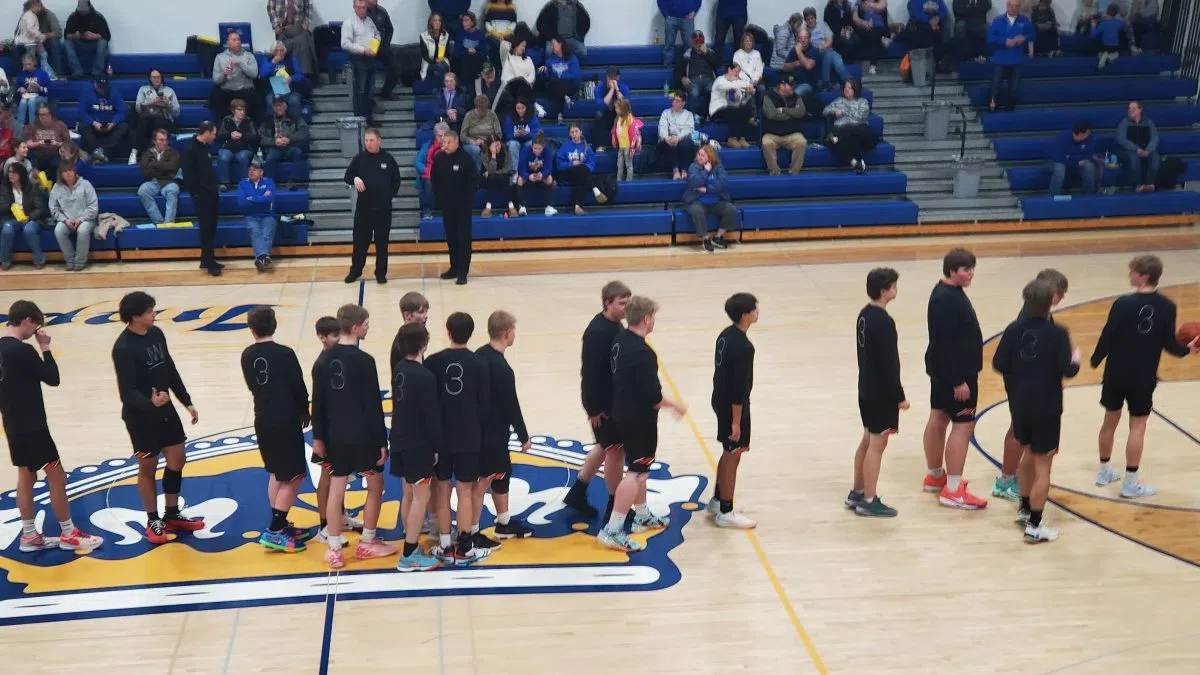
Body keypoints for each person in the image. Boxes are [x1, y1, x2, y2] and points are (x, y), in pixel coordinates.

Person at [0, 300, 104, 553]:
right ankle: (69, 533)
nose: (35, 332)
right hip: (33, 425)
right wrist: (45, 348)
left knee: (26, 476)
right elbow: (52, 378)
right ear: (27, 321)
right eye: (36, 327)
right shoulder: (22, 351)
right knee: (57, 476)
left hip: (12, 423)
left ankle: (29, 536)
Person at [1091, 255, 1199, 498]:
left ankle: (1104, 471)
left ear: (1144, 276)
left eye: (1133, 272)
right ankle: (1130, 483)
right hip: (1142, 376)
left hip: (1115, 372)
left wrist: (1095, 359)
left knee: (1109, 421)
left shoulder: (1122, 304)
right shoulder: (1168, 306)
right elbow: (1170, 344)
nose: (1129, 275)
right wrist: (1187, 350)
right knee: (1137, 427)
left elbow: (1108, 336)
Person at [110, 291, 205, 545]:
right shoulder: (123, 348)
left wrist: (186, 401)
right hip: (140, 417)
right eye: (150, 311)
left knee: (178, 459)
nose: (155, 314)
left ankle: (172, 514)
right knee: (147, 469)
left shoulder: (156, 334)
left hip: (165, 410)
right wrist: (149, 403)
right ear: (135, 316)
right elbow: (126, 392)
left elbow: (169, 369)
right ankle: (153, 519)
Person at [993, 280, 1081, 543]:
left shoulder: (1013, 329)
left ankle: (1023, 508)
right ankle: (1035, 525)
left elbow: (999, 364)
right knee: (1043, 465)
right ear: (1050, 303)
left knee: (1029, 455)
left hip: (1020, 404)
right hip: (1047, 406)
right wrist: (1075, 360)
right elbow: (1067, 370)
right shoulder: (1058, 333)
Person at [310, 304, 398, 569]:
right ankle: (368, 542)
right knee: (375, 485)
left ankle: (334, 548)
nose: (369, 328)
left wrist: (318, 438)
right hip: (363, 436)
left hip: (335, 436)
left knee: (337, 488)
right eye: (367, 324)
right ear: (356, 328)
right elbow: (372, 405)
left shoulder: (323, 360)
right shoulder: (365, 361)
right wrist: (382, 441)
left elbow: (318, 403)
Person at [600, 296, 687, 552]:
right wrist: (676, 406)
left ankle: (641, 515)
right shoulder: (643, 352)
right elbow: (654, 397)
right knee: (637, 473)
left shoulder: (620, 340)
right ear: (647, 318)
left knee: (641, 469)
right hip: (639, 420)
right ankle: (613, 529)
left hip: (620, 413)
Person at [241, 306, 315, 553]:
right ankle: (274, 530)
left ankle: (281, 525)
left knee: (276, 472)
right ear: (274, 325)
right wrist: (304, 409)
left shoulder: (246, 355)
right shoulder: (285, 353)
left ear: (251, 329)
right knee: (295, 475)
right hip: (285, 419)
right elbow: (298, 385)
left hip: (262, 418)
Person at [992, 268, 1069, 502]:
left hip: (1026, 387)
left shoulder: (1037, 317)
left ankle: (1014, 478)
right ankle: (1006, 480)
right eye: (1060, 293)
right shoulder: (1027, 323)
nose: (1062, 298)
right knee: (1016, 433)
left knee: (1019, 433)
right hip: (1025, 387)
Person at [922, 248, 987, 509]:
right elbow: (945, 344)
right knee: (963, 426)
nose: (970, 274)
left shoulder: (943, 292)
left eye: (972, 268)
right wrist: (958, 380)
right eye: (965, 269)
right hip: (957, 374)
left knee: (938, 417)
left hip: (942, 371)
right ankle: (953, 490)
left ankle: (935, 476)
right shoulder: (948, 301)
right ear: (951, 271)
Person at [425, 312, 490, 565]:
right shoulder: (480, 363)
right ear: (471, 333)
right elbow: (484, 406)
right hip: (468, 436)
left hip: (440, 437)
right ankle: (465, 547)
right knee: (465, 490)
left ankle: (444, 545)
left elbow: (429, 403)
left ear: (448, 331)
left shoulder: (433, 362)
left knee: (442, 489)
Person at [563, 281, 632, 520]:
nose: (626, 307)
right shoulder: (597, 332)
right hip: (603, 406)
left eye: (628, 303)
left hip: (612, 402)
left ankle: (577, 492)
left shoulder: (614, 325)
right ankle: (614, 506)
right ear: (607, 303)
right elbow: (589, 373)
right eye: (621, 303)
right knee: (616, 452)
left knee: (604, 447)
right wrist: (592, 408)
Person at [847, 268, 907, 518]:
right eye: (893, 286)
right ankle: (869, 500)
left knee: (867, 440)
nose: (896, 289)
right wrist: (899, 396)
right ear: (884, 291)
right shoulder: (884, 322)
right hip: (881, 393)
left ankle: (857, 491)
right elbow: (889, 363)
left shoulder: (864, 314)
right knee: (877, 445)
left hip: (866, 388)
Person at [474, 310, 535, 549]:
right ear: (507, 333)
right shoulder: (502, 369)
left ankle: (504, 522)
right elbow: (511, 405)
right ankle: (472, 532)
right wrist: (523, 436)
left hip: (477, 428)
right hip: (492, 432)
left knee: (502, 473)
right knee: (485, 479)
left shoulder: (478, 355)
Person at [389, 322, 443, 572]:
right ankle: (409, 554)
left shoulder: (399, 368)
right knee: (421, 497)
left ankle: (410, 541)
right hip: (417, 444)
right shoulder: (425, 377)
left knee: (409, 495)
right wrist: (436, 446)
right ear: (424, 345)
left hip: (399, 439)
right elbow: (431, 417)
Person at [310, 316, 365, 546]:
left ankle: (339, 517)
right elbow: (317, 404)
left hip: (342, 430)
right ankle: (324, 526)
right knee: (327, 477)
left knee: (338, 477)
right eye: (334, 336)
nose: (338, 339)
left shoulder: (338, 359)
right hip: (328, 432)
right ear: (322, 338)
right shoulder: (321, 364)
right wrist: (318, 438)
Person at [707, 292, 759, 529]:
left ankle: (718, 500)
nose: (757, 312)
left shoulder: (725, 335)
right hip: (733, 406)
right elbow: (739, 387)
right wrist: (736, 421)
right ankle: (726, 512)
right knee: (733, 454)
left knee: (728, 451)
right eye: (754, 309)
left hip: (719, 399)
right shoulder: (744, 347)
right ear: (745, 315)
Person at [344, 127, 402, 284]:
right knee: (360, 242)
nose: (368, 143)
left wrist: (389, 195)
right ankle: (355, 271)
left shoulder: (388, 159)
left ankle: (381, 273)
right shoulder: (359, 159)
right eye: (366, 140)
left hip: (383, 209)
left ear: (379, 141)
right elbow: (347, 176)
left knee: (382, 243)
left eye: (371, 140)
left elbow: (396, 180)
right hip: (364, 209)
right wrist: (355, 178)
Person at [430, 130, 479, 284]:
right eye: (443, 142)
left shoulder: (466, 159)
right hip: (447, 206)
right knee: (451, 238)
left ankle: (463, 272)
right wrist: (440, 198)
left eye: (448, 142)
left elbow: (473, 181)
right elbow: (434, 180)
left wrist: (465, 199)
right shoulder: (439, 159)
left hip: (463, 207)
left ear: (456, 142)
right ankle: (454, 267)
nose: (445, 145)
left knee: (463, 239)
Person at [179, 121, 223, 276]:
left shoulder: (206, 148)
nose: (215, 137)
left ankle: (205, 259)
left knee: (212, 226)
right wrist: (196, 194)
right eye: (214, 133)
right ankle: (209, 263)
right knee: (205, 228)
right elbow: (188, 176)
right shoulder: (190, 149)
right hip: (201, 195)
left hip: (211, 193)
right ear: (207, 132)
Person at [683, 144, 737, 252]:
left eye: (703, 155)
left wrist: (707, 189)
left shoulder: (719, 167)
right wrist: (706, 171)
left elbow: (722, 184)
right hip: (696, 200)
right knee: (697, 211)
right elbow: (695, 182)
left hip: (716, 201)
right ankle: (705, 239)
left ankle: (718, 237)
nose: (699, 157)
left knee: (731, 210)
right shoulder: (693, 167)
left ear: (710, 156)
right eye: (699, 154)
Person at [987, 0, 1035, 113]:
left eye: (1016, 6)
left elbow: (1033, 35)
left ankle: (1010, 111)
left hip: (1016, 59)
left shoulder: (1024, 21)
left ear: (1019, 7)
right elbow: (990, 38)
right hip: (1001, 58)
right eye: (1011, 6)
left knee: (1014, 88)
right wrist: (1004, 41)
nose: (1013, 8)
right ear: (1007, 6)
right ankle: (993, 110)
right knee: (996, 86)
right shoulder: (998, 20)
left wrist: (1024, 38)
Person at [49, 161, 98, 271]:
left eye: (70, 170)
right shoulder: (56, 187)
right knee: (58, 231)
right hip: (66, 221)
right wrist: (64, 220)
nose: (68, 173)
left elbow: (93, 207)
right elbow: (53, 208)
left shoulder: (86, 184)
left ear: (75, 172)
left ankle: (80, 262)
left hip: (86, 219)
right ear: (61, 174)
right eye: (65, 171)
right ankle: (70, 260)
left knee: (83, 230)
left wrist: (81, 219)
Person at [824, 80, 878, 174]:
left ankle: (836, 138)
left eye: (849, 88)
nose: (846, 89)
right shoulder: (839, 100)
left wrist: (844, 111)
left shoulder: (862, 102)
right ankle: (856, 163)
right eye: (845, 87)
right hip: (843, 132)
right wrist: (834, 111)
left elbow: (861, 117)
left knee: (850, 131)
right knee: (847, 139)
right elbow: (825, 111)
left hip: (859, 129)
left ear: (855, 89)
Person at [342, 0, 382, 126]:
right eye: (359, 7)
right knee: (360, 90)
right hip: (359, 59)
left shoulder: (369, 21)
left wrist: (374, 46)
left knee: (369, 90)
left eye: (364, 7)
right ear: (354, 7)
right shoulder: (349, 22)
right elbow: (345, 44)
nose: (362, 10)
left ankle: (369, 118)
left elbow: (377, 34)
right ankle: (359, 120)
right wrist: (363, 50)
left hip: (371, 58)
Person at [0, 163, 46, 271]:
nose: (11, 175)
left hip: (30, 218)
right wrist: (11, 206)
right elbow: (2, 207)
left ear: (21, 174)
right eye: (10, 172)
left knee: (29, 229)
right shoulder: (4, 188)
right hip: (12, 218)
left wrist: (29, 217)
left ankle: (39, 259)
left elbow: (40, 208)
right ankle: (5, 260)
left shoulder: (32, 187)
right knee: (7, 229)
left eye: (14, 172)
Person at [76, 74, 129, 165]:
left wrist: (113, 122)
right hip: (94, 125)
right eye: (100, 87)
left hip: (110, 125)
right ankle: (97, 150)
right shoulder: (87, 93)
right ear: (95, 84)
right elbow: (81, 113)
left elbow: (121, 112)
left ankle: (103, 151)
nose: (102, 90)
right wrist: (93, 122)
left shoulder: (115, 93)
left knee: (124, 126)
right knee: (83, 126)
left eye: (104, 87)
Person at [761, 75, 808, 176]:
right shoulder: (768, 97)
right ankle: (775, 171)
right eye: (791, 85)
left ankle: (794, 172)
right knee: (766, 142)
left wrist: (783, 110)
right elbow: (771, 115)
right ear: (782, 86)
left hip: (792, 134)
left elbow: (801, 112)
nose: (793, 88)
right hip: (772, 134)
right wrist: (791, 114)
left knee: (801, 142)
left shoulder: (796, 97)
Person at [259, 96, 310, 190]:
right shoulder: (267, 121)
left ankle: (294, 181)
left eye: (281, 105)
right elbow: (260, 138)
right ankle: (270, 184)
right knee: (270, 157)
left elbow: (304, 133)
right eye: (276, 106)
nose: (278, 108)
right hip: (274, 147)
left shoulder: (295, 118)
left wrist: (289, 139)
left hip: (290, 146)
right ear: (273, 107)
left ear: (285, 106)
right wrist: (274, 141)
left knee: (298, 153)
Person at [556, 123, 606, 216]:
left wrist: (585, 169)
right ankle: (595, 189)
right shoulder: (565, 147)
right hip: (569, 172)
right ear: (569, 134)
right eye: (572, 132)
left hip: (582, 174)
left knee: (582, 174)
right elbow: (559, 164)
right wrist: (571, 163)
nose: (574, 134)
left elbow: (591, 164)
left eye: (576, 131)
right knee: (582, 170)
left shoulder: (587, 147)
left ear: (581, 132)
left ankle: (577, 206)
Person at [211, 31, 260, 122]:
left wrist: (241, 64)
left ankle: (251, 125)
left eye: (238, 39)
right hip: (227, 89)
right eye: (234, 40)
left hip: (244, 90)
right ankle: (224, 125)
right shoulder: (220, 57)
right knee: (216, 96)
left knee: (255, 97)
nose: (237, 42)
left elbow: (254, 74)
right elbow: (216, 80)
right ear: (228, 43)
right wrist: (224, 74)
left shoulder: (248, 56)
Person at [239, 160, 279, 272]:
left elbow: (270, 199)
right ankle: (264, 257)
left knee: (267, 233)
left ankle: (260, 258)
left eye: (255, 169)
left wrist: (251, 198)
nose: (251, 172)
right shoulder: (243, 184)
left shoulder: (269, 182)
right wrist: (261, 198)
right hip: (250, 215)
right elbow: (242, 202)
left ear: (261, 172)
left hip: (268, 215)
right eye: (250, 170)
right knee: (255, 231)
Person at [137, 129, 182, 226]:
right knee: (142, 191)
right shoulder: (147, 154)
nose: (164, 142)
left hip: (169, 181)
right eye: (161, 140)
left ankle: (168, 224)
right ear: (154, 141)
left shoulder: (173, 153)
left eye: (166, 140)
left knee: (173, 191)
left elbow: (172, 168)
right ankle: (159, 223)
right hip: (153, 181)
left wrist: (154, 164)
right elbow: (145, 171)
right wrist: (164, 168)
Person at [803, 7, 853, 91]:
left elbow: (830, 40)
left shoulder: (823, 25)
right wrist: (818, 49)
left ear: (815, 18)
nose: (810, 21)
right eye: (808, 19)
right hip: (815, 54)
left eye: (812, 18)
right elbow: (805, 46)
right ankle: (851, 81)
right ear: (805, 20)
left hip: (826, 49)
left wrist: (822, 47)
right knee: (832, 55)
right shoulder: (804, 30)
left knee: (834, 57)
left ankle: (826, 82)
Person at [267, 0, 319, 79]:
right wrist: (276, 25)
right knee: (279, 49)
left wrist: (306, 22)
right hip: (282, 29)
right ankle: (286, 76)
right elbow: (270, 8)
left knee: (304, 43)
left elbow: (309, 6)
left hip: (298, 28)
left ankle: (304, 76)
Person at [1049, 121, 1102, 196]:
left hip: (1075, 163)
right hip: (1058, 162)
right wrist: (1076, 162)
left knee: (1089, 166)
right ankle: (1053, 196)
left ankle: (1088, 195)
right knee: (1059, 168)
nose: (1089, 134)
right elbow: (1058, 157)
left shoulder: (1089, 138)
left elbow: (1089, 154)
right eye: (1087, 133)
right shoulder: (1062, 138)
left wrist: (1070, 158)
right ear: (1080, 133)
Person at [709, 62, 755, 149]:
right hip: (717, 109)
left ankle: (742, 138)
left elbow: (741, 100)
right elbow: (729, 86)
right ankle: (732, 138)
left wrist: (749, 93)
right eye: (736, 71)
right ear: (729, 69)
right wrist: (747, 84)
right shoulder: (720, 80)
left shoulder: (737, 82)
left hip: (730, 107)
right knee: (734, 110)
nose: (737, 74)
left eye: (739, 72)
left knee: (744, 109)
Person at [1117, 100, 1160, 193]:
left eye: (1133, 108)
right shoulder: (1124, 123)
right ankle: (1137, 185)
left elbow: (1154, 138)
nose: (1130, 110)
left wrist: (1148, 150)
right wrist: (1137, 149)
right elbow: (1121, 139)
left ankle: (1149, 184)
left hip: (1146, 149)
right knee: (1133, 158)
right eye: (1129, 109)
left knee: (1155, 157)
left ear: (1140, 110)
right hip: (1129, 150)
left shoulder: (1149, 123)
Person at [133, 69, 180, 153]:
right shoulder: (143, 89)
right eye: (154, 77)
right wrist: (151, 102)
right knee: (142, 123)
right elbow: (138, 109)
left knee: (158, 121)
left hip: (165, 121)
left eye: (158, 77)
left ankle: (154, 153)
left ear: (162, 78)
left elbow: (177, 113)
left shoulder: (169, 91)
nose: (156, 79)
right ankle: (134, 152)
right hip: (148, 119)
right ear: (150, 78)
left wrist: (168, 103)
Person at [216, 99, 259, 191]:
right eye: (239, 110)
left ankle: (245, 183)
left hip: (245, 148)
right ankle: (224, 183)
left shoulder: (249, 121)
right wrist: (229, 135)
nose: (242, 112)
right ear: (233, 111)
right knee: (223, 157)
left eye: (244, 110)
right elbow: (218, 136)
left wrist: (242, 136)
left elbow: (255, 137)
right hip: (228, 147)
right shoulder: (226, 120)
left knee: (242, 157)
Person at [676, 31, 721, 116]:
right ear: (692, 43)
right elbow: (677, 71)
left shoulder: (710, 52)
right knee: (694, 93)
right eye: (696, 42)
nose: (698, 44)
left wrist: (707, 53)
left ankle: (708, 116)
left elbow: (718, 64)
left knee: (713, 90)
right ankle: (692, 117)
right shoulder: (687, 54)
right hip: (693, 80)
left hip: (709, 79)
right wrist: (682, 78)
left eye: (701, 42)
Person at [63, 0, 110, 81]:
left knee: (103, 42)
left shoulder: (98, 17)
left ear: (90, 8)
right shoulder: (73, 17)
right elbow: (66, 35)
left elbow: (107, 35)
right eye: (81, 11)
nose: (83, 13)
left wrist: (96, 36)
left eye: (85, 11)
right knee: (67, 43)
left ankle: (97, 72)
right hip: (79, 44)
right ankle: (77, 72)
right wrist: (74, 36)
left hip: (94, 44)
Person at [259, 42, 307, 119]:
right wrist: (273, 62)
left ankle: (296, 123)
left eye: (281, 50)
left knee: (294, 101)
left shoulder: (291, 59)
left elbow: (300, 75)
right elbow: (262, 74)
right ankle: (270, 124)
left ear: (284, 52)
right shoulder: (268, 60)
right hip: (273, 91)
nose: (279, 53)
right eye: (276, 51)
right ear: (273, 52)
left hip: (290, 90)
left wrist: (291, 79)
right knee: (269, 101)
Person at [658, 91, 697, 180]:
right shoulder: (666, 113)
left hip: (682, 138)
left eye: (677, 101)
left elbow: (689, 129)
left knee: (686, 142)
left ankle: (684, 170)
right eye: (674, 100)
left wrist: (678, 138)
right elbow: (662, 127)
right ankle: (675, 170)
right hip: (668, 138)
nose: (674, 103)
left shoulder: (688, 114)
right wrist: (666, 138)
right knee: (670, 143)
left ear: (683, 103)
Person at [516, 131, 556, 216]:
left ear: (543, 147)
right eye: (535, 148)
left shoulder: (547, 151)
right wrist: (528, 176)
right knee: (520, 179)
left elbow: (548, 168)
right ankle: (522, 206)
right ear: (531, 146)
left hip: (540, 175)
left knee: (549, 178)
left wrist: (542, 174)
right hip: (529, 175)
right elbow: (521, 170)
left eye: (540, 149)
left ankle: (549, 206)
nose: (537, 151)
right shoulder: (525, 151)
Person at [539, 37, 581, 118]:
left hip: (569, 86)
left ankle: (560, 113)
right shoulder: (550, 60)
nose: (552, 47)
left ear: (560, 44)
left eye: (553, 44)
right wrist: (544, 71)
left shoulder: (572, 58)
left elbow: (576, 75)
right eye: (551, 45)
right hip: (555, 86)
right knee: (554, 83)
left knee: (558, 83)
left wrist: (562, 77)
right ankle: (564, 97)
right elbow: (547, 78)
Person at [23, 103, 69, 175]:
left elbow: (68, 144)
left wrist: (57, 143)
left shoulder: (60, 125)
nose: (43, 117)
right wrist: (39, 143)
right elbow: (27, 144)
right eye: (41, 115)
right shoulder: (32, 126)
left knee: (61, 166)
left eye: (45, 114)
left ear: (51, 114)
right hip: (38, 155)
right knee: (33, 168)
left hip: (56, 154)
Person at [495, 35, 536, 116]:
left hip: (524, 87)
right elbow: (504, 46)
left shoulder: (528, 59)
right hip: (509, 87)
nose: (523, 48)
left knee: (520, 82)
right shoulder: (506, 57)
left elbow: (532, 75)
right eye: (522, 45)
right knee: (517, 82)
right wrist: (505, 38)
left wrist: (524, 81)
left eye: (525, 46)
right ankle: (534, 104)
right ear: (516, 44)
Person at [14, 1, 57, 79]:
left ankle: (46, 73)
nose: (40, 9)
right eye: (39, 7)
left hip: (28, 42)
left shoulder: (24, 16)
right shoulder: (31, 16)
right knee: (30, 61)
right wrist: (41, 36)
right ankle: (29, 77)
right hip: (30, 43)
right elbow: (30, 29)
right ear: (33, 6)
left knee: (43, 54)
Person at [480, 135, 519, 218]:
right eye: (494, 146)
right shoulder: (484, 152)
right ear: (489, 146)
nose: (497, 148)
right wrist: (493, 155)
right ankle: (488, 207)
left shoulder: (506, 149)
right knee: (492, 177)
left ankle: (511, 207)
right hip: (488, 178)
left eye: (498, 144)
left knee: (502, 177)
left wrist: (496, 172)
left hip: (503, 176)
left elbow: (507, 168)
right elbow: (490, 170)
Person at [591, 67, 631, 148]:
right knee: (598, 114)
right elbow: (601, 106)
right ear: (606, 77)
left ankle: (623, 144)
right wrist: (612, 90)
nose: (611, 80)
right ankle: (598, 145)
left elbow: (625, 105)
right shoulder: (599, 88)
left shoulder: (624, 88)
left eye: (614, 78)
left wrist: (617, 89)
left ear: (618, 77)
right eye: (609, 77)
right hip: (605, 114)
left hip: (618, 114)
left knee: (626, 114)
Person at [416, 122, 448, 219]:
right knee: (429, 181)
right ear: (435, 136)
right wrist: (425, 170)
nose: (442, 138)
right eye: (439, 136)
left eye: (444, 135)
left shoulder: (452, 147)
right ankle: (427, 211)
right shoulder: (427, 146)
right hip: (429, 173)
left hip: (447, 173)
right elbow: (418, 162)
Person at [461, 94, 502, 168]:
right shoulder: (469, 116)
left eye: (485, 109)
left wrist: (490, 142)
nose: (483, 112)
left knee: (498, 148)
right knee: (476, 150)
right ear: (476, 107)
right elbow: (463, 136)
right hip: (472, 144)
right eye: (481, 110)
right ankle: (477, 172)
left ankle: (495, 171)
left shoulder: (492, 115)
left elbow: (499, 134)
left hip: (489, 141)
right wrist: (474, 142)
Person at [451, 12, 486, 96]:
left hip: (476, 61)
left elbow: (484, 52)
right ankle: (467, 89)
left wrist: (475, 52)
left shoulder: (480, 34)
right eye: (463, 21)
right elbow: (457, 51)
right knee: (465, 60)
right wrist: (467, 51)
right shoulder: (460, 33)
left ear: (473, 22)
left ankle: (474, 91)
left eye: (466, 20)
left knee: (476, 60)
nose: (464, 23)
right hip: (462, 61)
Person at [853, 0, 891, 75]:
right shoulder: (858, 3)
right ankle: (873, 66)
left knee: (875, 35)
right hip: (865, 28)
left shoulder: (881, 2)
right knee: (874, 36)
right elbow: (855, 18)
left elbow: (883, 6)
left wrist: (869, 5)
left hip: (879, 29)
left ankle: (873, 66)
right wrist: (864, 23)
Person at [659, 0, 700, 67]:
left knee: (689, 45)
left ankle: (689, 68)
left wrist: (694, 10)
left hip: (687, 18)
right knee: (669, 44)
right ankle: (667, 67)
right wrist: (666, 14)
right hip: (671, 18)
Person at [14, 54, 50, 128]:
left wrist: (39, 88)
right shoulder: (22, 74)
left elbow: (48, 90)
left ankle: (33, 126)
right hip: (26, 96)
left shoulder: (42, 73)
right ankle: (19, 127)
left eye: (29, 64)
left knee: (31, 102)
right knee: (23, 102)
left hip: (41, 96)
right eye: (25, 64)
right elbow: (17, 87)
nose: (28, 67)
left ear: (34, 62)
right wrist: (20, 89)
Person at [611, 98, 643, 182]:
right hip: (621, 146)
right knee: (619, 164)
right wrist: (614, 139)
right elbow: (615, 130)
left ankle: (629, 181)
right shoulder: (617, 119)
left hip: (628, 146)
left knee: (628, 164)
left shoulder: (629, 119)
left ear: (623, 108)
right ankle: (619, 180)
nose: (615, 109)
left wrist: (635, 144)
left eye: (617, 108)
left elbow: (634, 132)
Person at [784, 29, 821, 98]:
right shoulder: (793, 50)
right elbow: (785, 68)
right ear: (797, 39)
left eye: (805, 37)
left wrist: (799, 52)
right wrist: (796, 63)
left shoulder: (814, 51)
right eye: (800, 37)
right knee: (780, 92)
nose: (803, 40)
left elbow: (808, 66)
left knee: (796, 93)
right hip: (794, 82)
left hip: (809, 84)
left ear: (809, 39)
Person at [420, 12, 453, 87]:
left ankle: (441, 88)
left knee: (442, 67)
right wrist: (435, 61)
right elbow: (424, 55)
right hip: (429, 62)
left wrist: (442, 58)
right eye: (435, 20)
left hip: (442, 60)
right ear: (431, 23)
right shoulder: (424, 36)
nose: (438, 23)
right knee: (441, 67)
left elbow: (448, 53)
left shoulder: (445, 35)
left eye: (439, 20)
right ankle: (444, 88)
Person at [504, 99, 540, 164]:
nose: (520, 110)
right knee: (513, 145)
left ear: (526, 107)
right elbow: (507, 135)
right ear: (515, 108)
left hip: (527, 140)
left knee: (531, 144)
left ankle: (529, 167)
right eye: (518, 108)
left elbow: (537, 134)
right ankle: (514, 169)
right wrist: (514, 135)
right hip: (514, 141)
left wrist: (528, 134)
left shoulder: (533, 117)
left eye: (523, 108)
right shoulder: (509, 118)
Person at [732, 31, 765, 99]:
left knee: (762, 89)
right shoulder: (737, 54)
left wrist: (754, 80)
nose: (748, 43)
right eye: (746, 41)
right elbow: (738, 71)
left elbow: (759, 70)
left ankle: (758, 107)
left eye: (750, 41)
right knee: (748, 90)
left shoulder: (757, 54)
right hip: (742, 81)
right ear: (743, 42)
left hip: (755, 81)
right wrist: (748, 83)